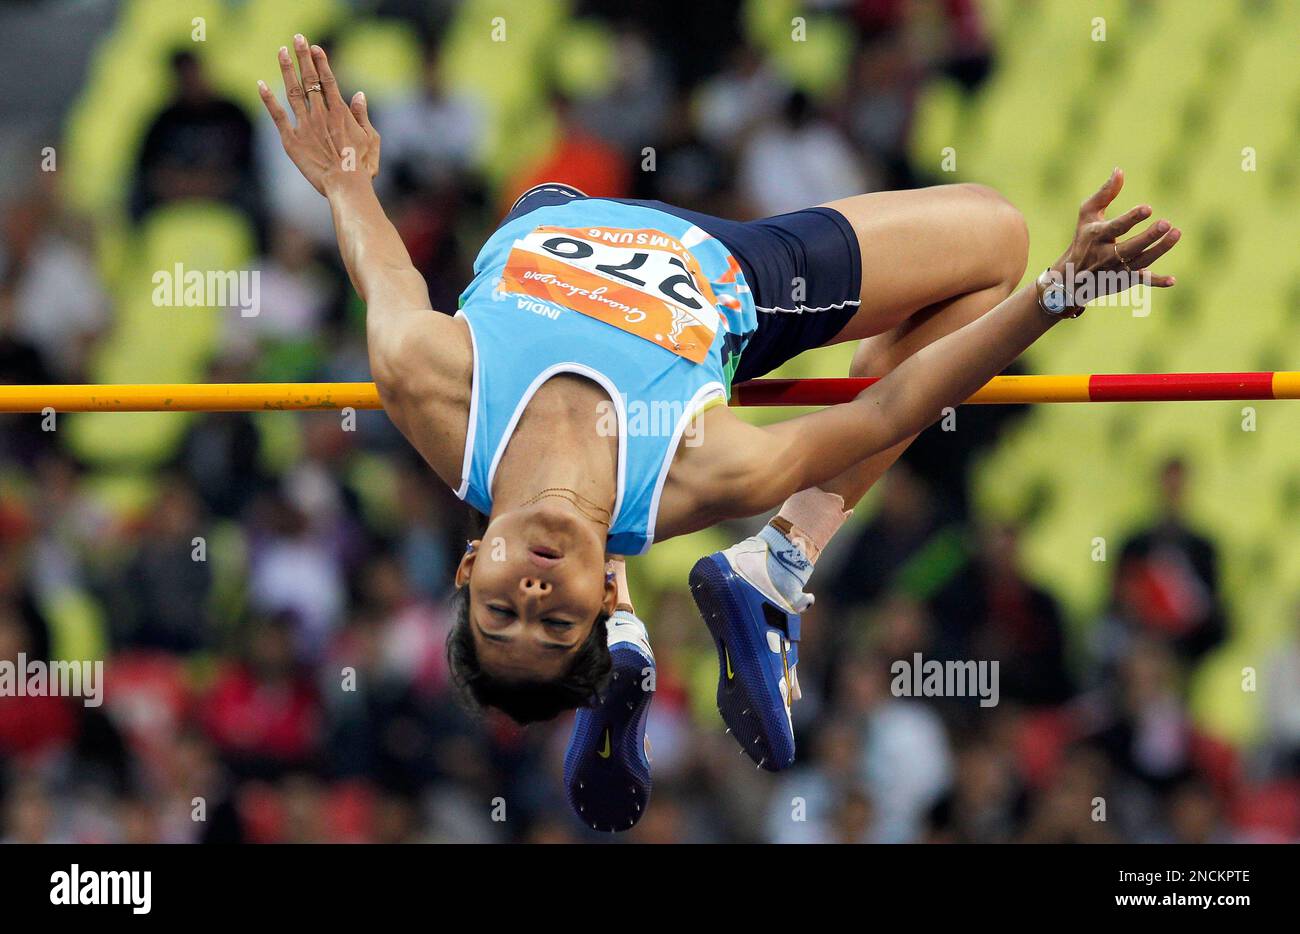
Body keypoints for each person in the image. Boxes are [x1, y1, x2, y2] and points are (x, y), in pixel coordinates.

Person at [257, 34, 1180, 830]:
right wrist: (1057, 295)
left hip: (553, 215)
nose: (533, 589)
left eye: (505, 608)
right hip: (731, 274)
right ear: (592, 591)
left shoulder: (435, 390)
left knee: (542, 202)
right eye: (556, 615)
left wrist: (346, 183)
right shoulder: (696, 470)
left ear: (469, 565)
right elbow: (884, 414)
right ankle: (778, 563)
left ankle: (640, 636)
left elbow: (385, 275)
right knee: (997, 242)